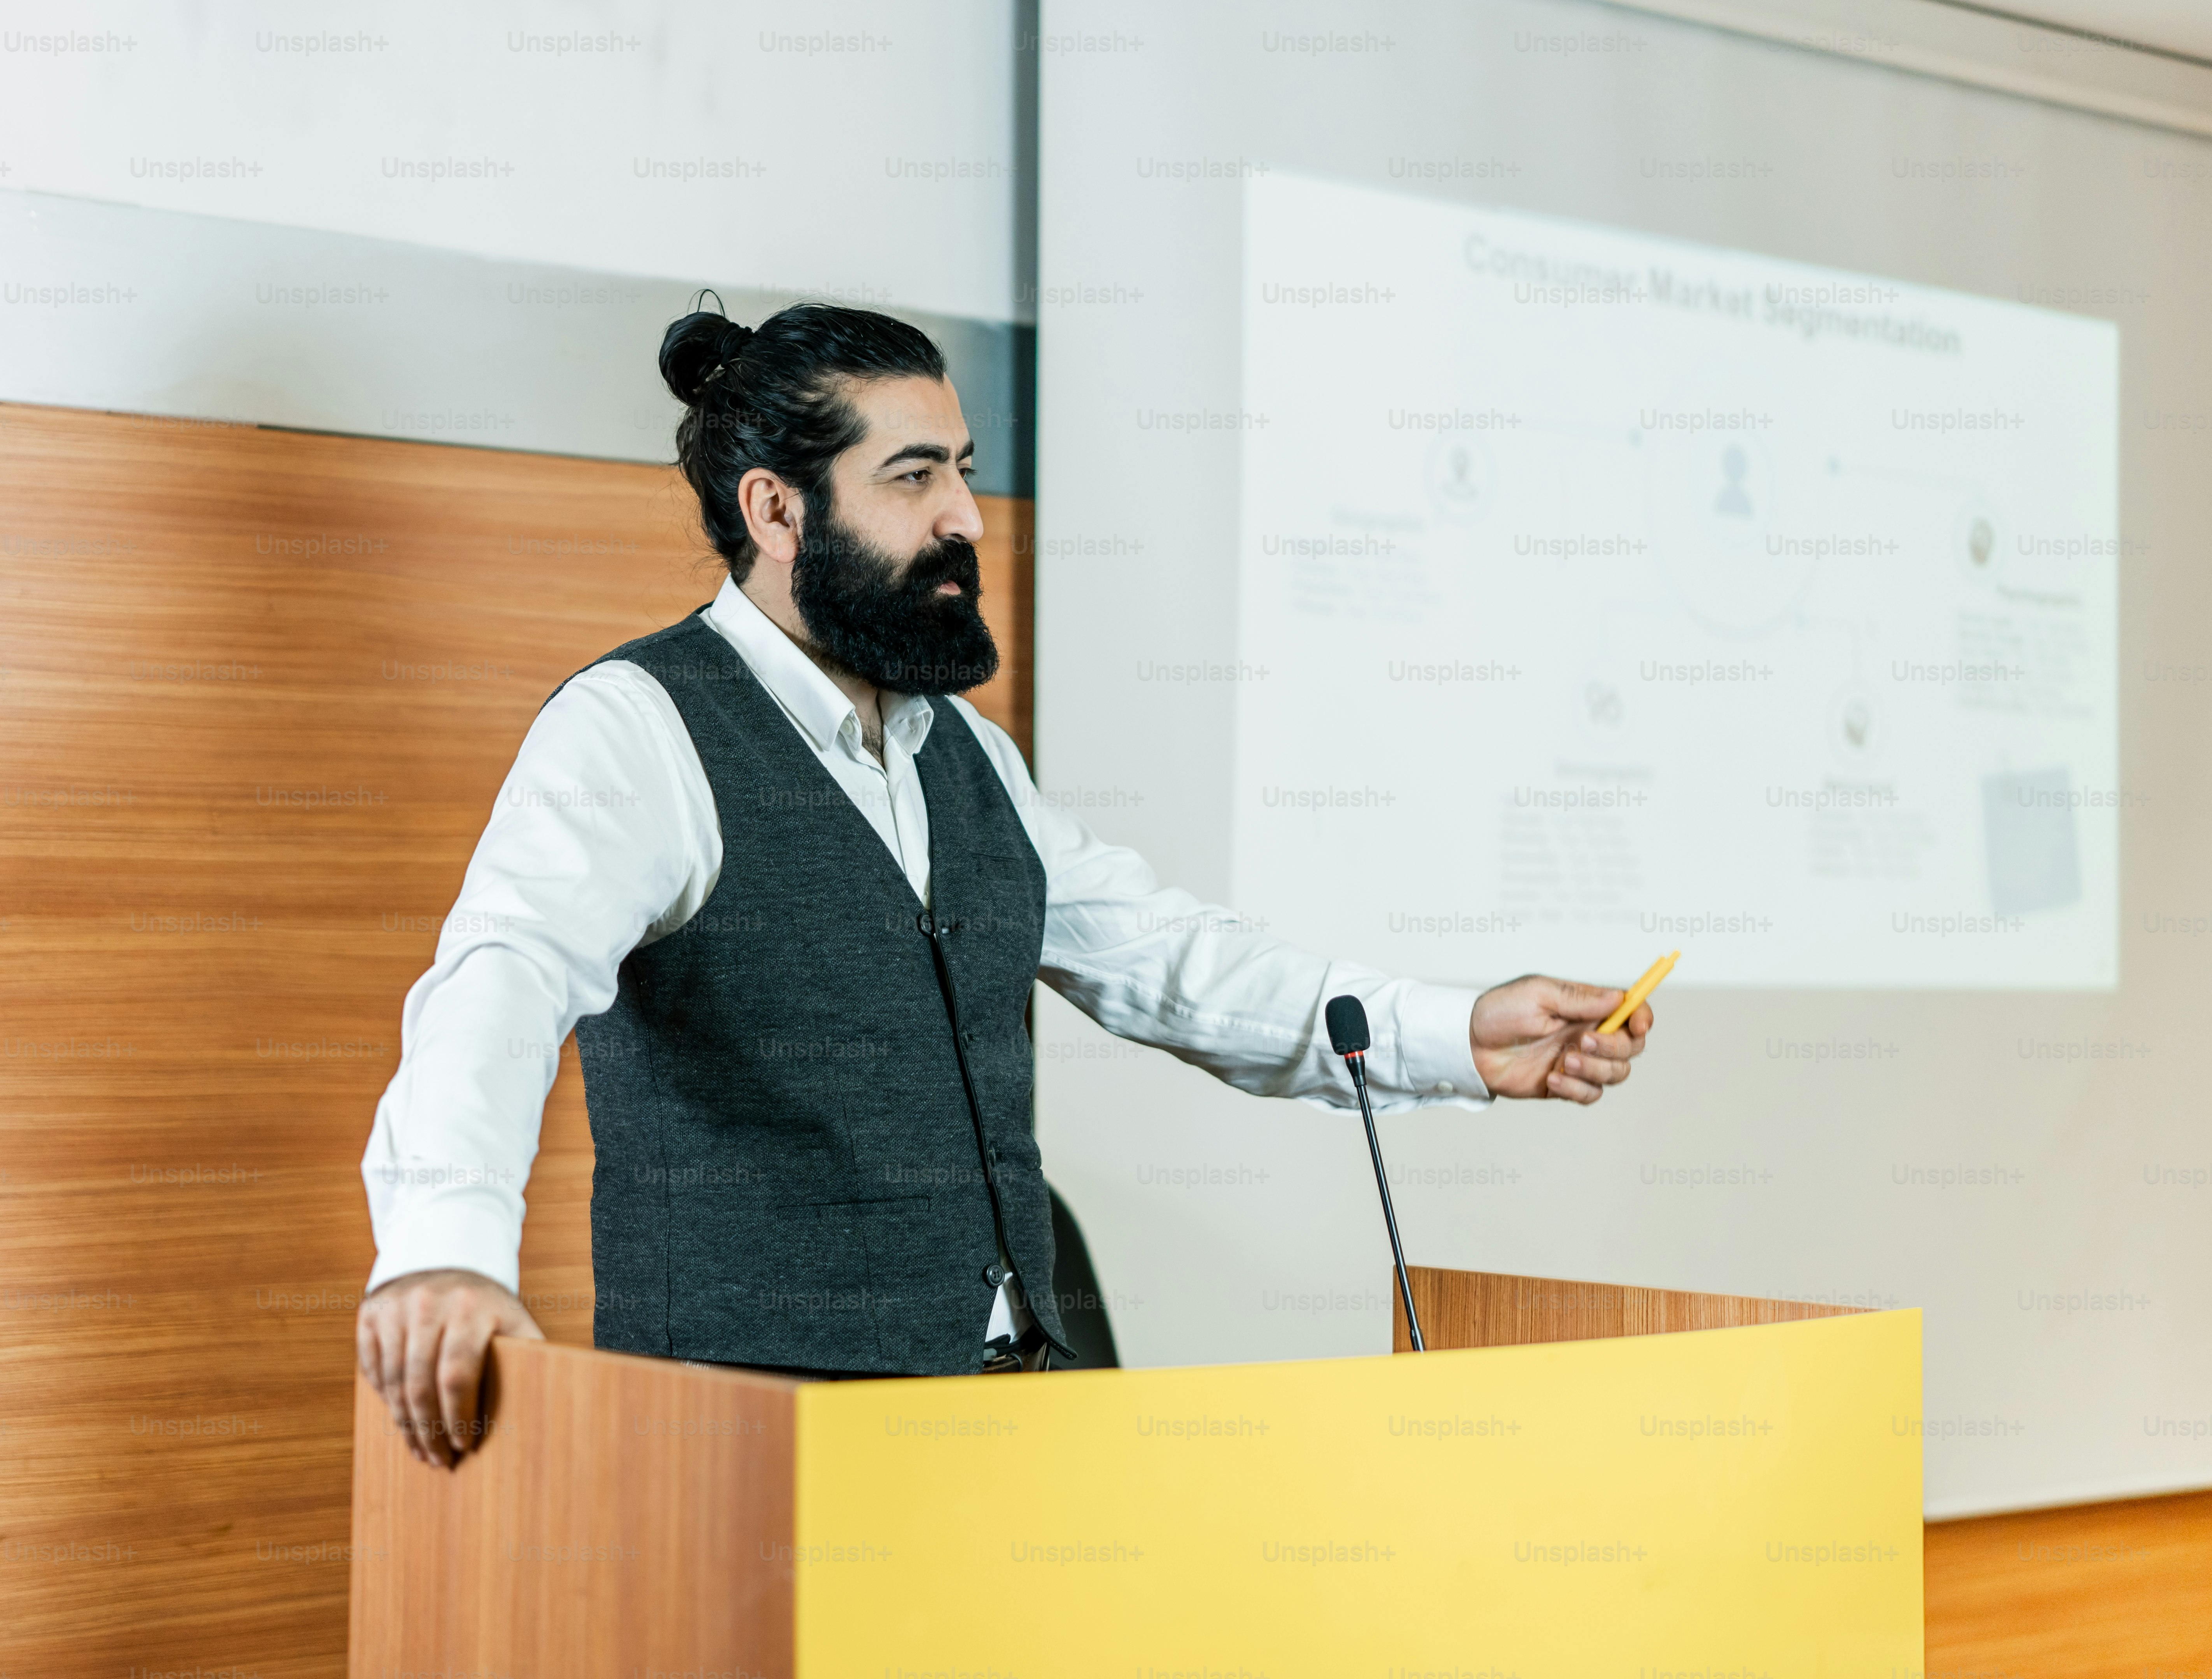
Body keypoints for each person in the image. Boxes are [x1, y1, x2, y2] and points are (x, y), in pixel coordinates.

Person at [356, 301, 1656, 1466]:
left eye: (964, 473)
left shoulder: (967, 751)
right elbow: (501, 977)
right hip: (751, 1438)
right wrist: (444, 1250)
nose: (966, 519)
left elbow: (1172, 962)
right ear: (774, 510)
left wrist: (1454, 1032)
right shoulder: (638, 726)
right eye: (912, 477)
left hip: (1013, 1409)